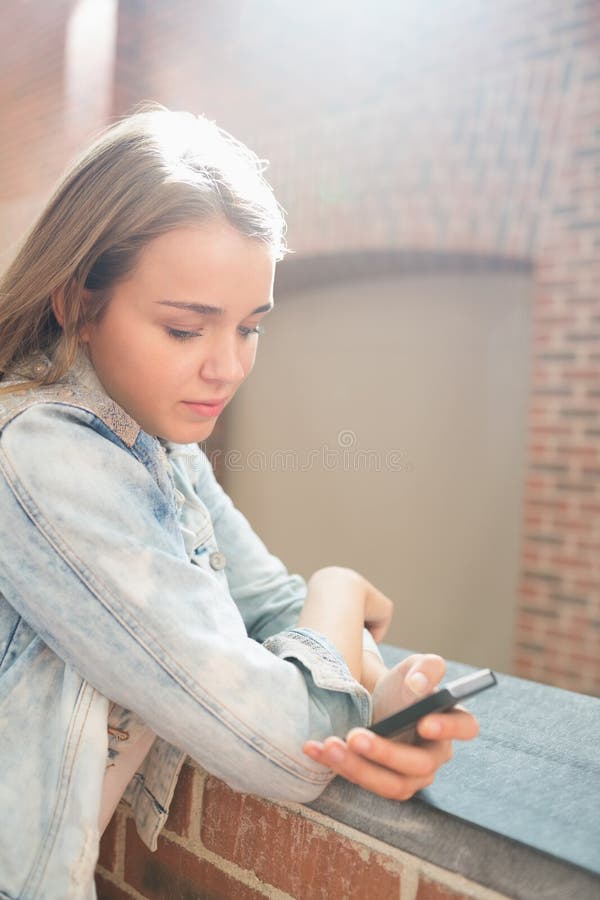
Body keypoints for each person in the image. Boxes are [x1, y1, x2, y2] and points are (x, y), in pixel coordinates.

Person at [0, 106, 478, 898]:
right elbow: (282, 742)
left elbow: (270, 613)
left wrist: (385, 703)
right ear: (76, 300)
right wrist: (339, 587)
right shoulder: (44, 456)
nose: (226, 367)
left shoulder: (163, 448)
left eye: (249, 328)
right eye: (187, 330)